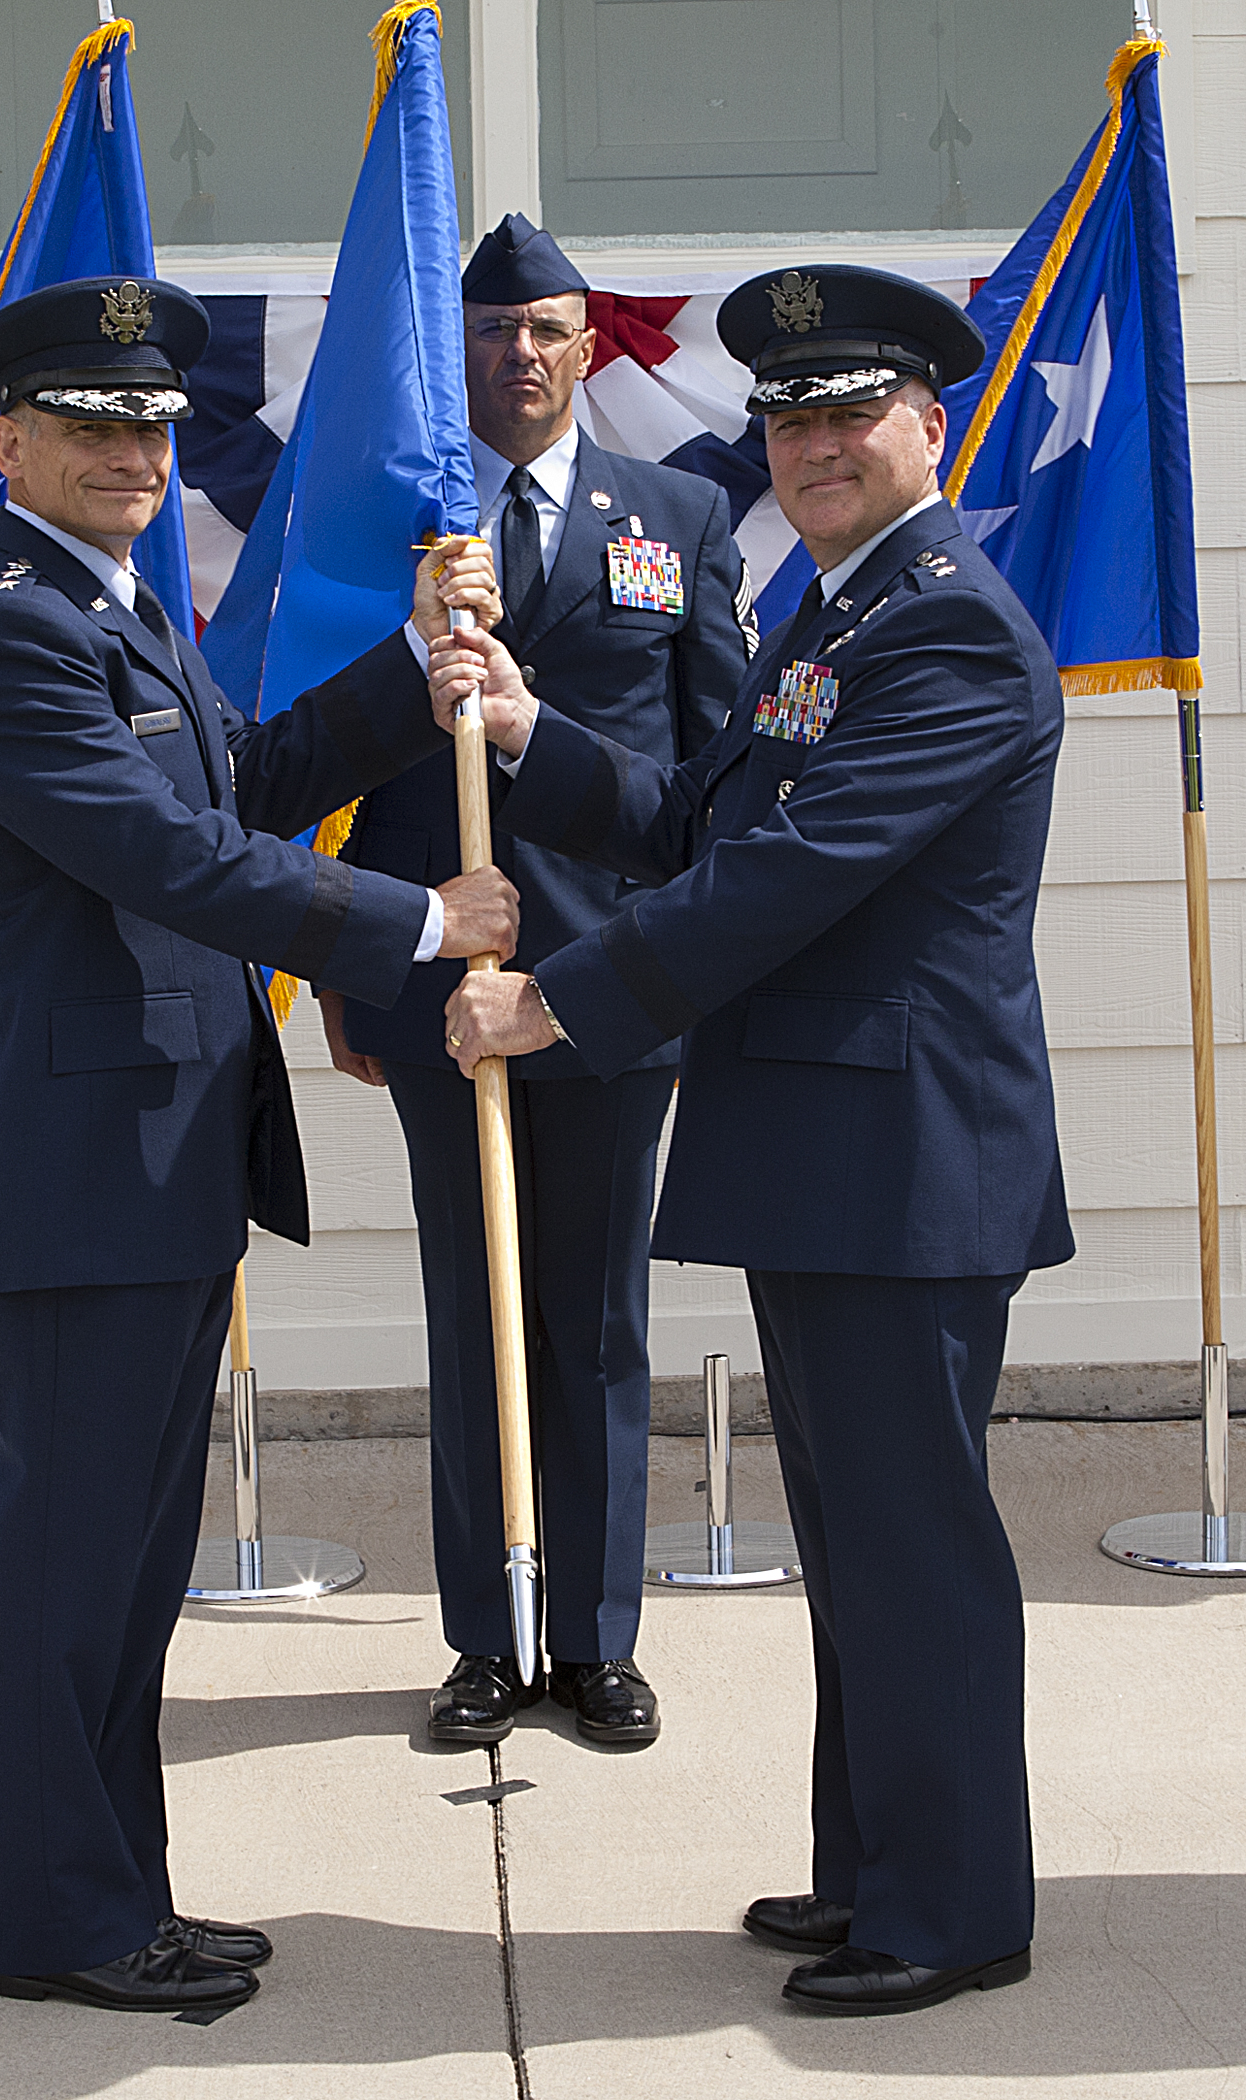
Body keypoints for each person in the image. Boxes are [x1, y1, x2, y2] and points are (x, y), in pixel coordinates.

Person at [428, 265, 1074, 2015]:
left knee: (912, 1542)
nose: (815, 446)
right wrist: (528, 733)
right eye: (790, 419)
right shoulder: (834, 611)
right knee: (858, 1539)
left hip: (906, 1156)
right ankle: (879, 1869)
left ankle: (950, 1912)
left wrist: (554, 1002)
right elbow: (705, 820)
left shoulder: (944, 624)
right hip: (830, 1150)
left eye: (851, 411)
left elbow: (786, 882)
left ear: (929, 422)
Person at [0, 276, 517, 2016]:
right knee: (74, 1568)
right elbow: (169, 860)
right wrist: (417, 917)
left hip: (153, 1165)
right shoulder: (9, 632)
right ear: (11, 439)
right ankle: (56, 1923)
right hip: (82, 1174)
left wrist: (416, 672)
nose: (130, 453)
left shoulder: (120, 611)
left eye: (152, 427)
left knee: (123, 1565)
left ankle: (114, 1893)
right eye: (92, 426)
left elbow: (237, 779)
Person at [319, 213, 753, 1749]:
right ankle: (489, 1640)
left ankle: (600, 1636)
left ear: (590, 347)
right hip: (441, 982)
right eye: (494, 332)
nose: (522, 356)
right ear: (461, 353)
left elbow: (712, 782)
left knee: (600, 1316)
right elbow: (343, 772)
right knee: (475, 1306)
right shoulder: (401, 537)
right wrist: (346, 967)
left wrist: (679, 966)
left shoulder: (679, 519)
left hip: (611, 981)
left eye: (549, 330)